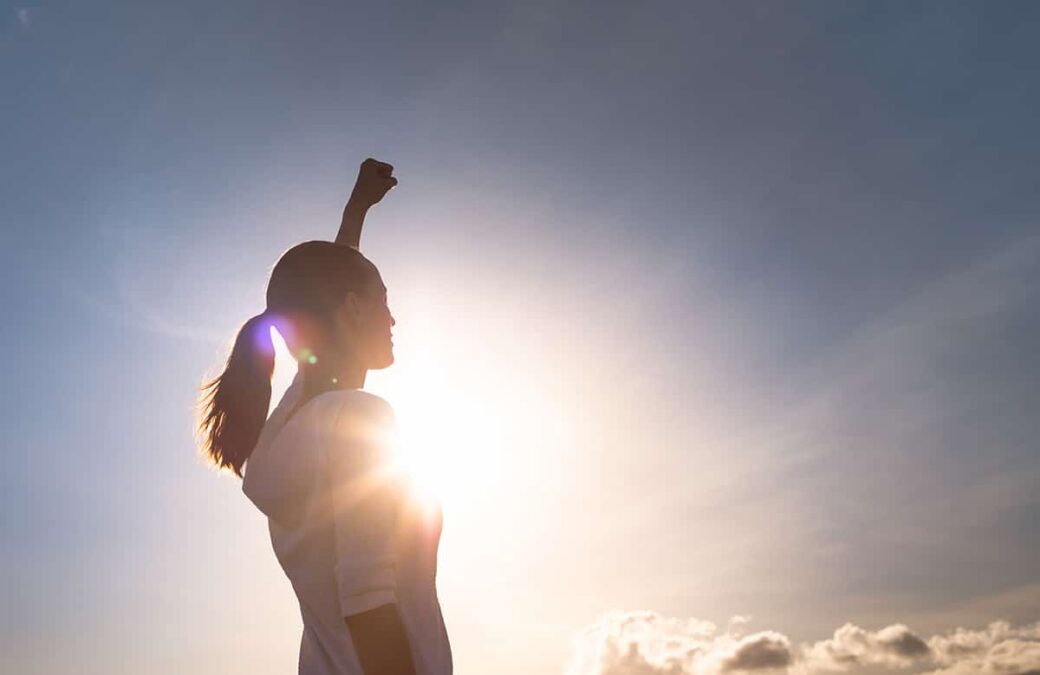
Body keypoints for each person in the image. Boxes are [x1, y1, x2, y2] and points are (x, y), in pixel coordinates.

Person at [196, 159, 452, 675]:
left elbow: (320, 304)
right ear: (354, 309)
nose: (393, 316)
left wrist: (356, 211)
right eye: (384, 300)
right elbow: (368, 604)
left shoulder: (289, 429)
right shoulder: (360, 421)